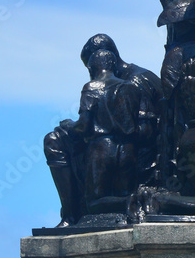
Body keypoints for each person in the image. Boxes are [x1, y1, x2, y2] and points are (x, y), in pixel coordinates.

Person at [44, 35, 161, 226]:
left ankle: (75, 214)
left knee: (55, 141)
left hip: (137, 155)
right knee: (55, 139)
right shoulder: (124, 84)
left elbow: (147, 131)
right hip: (123, 147)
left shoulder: (137, 80)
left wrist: (76, 128)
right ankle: (69, 215)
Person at [73, 50, 140, 213]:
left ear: (91, 68)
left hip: (101, 148)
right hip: (128, 149)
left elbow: (83, 125)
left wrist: (70, 126)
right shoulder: (131, 87)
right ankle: (129, 202)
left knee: (94, 203)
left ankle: (129, 203)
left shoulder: (91, 87)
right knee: (124, 191)